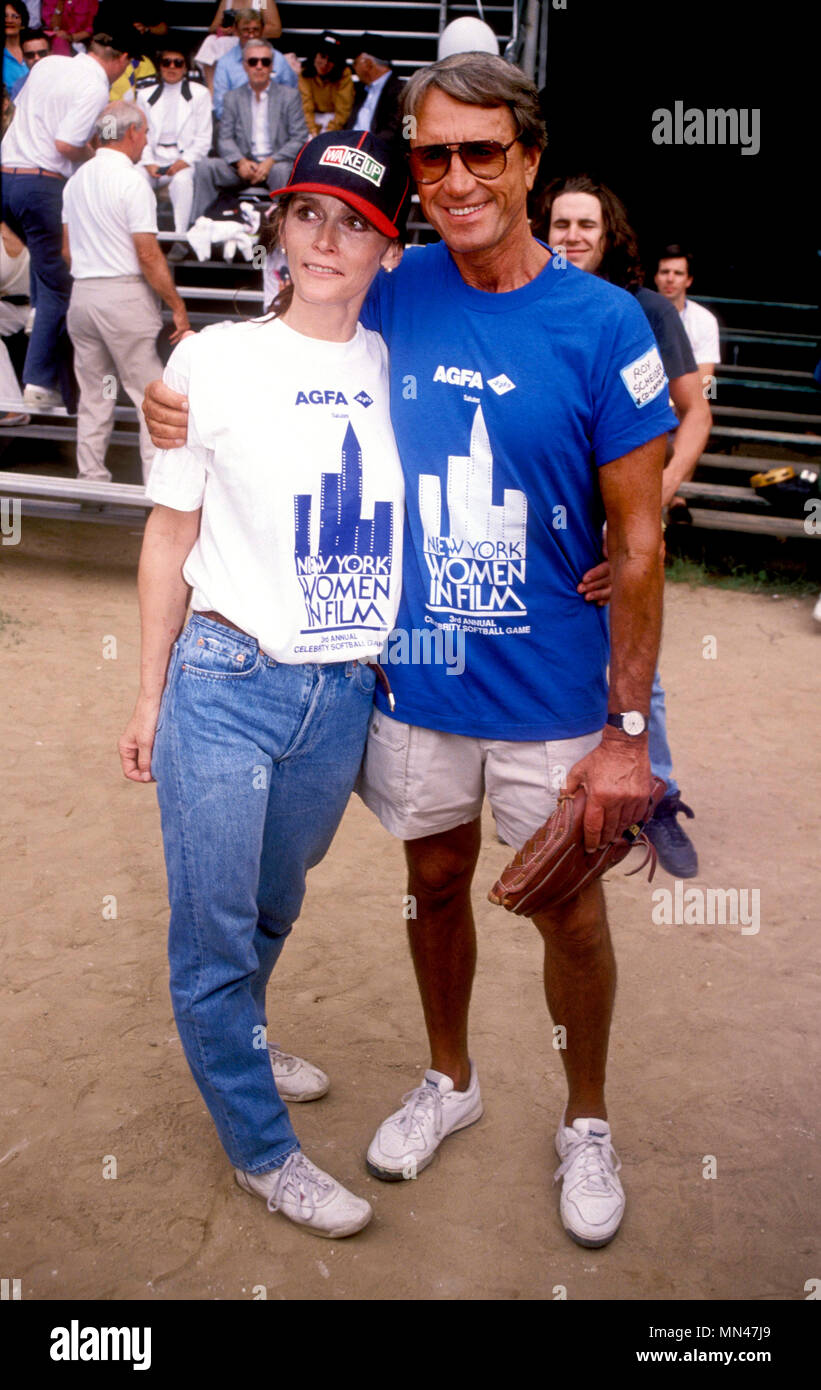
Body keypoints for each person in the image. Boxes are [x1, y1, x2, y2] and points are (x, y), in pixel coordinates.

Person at [143, 53, 678, 1251]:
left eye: (480, 152)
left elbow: (638, 543)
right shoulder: (398, 282)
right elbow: (290, 332)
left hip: (553, 695)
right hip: (414, 681)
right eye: (431, 154)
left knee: (569, 916)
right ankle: (450, 1077)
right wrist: (168, 390)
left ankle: (583, 1117)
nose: (453, 177)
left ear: (530, 161)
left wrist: (627, 733)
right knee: (431, 886)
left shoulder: (605, 322)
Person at [119, 129, 409, 1239]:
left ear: (388, 246)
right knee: (212, 928)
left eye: (355, 221)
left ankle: (245, 1021)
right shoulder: (214, 363)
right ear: (278, 226)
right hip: (225, 678)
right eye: (307, 214)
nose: (326, 237)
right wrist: (147, 695)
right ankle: (261, 1151)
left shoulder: (394, 363)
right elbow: (167, 534)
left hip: (340, 693)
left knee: (273, 903)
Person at [535, 174, 710, 879]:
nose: (572, 236)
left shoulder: (641, 309)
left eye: (586, 225)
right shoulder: (531, 307)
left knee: (638, 667)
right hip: (547, 527)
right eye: (560, 224)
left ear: (609, 236)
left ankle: (653, 794)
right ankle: (566, 799)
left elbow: (693, 411)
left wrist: (657, 495)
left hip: (622, 520)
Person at [0, 27, 132, 408]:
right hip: (40, 184)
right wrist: (99, 160)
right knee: (61, 287)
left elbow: (22, 110)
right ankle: (39, 382)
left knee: (50, 280)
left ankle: (39, 324)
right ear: (121, 60)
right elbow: (65, 144)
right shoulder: (95, 87)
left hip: (7, 177)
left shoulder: (50, 64)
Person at [62, 100, 189, 482]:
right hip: (123, 300)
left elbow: (66, 250)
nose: (146, 140)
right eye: (145, 132)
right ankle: (158, 483)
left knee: (97, 393)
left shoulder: (76, 181)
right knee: (145, 392)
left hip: (84, 298)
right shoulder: (131, 181)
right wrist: (177, 306)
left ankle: (91, 477)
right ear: (131, 132)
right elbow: (148, 254)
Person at [191, 39, 307, 225]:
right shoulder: (232, 97)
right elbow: (225, 137)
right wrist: (240, 162)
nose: (259, 67)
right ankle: (200, 232)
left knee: (283, 170)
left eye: (265, 62)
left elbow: (299, 137)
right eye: (253, 62)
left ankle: (284, 233)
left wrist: (270, 161)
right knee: (206, 167)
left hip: (275, 165)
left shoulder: (289, 96)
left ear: (272, 66)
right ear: (245, 66)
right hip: (242, 167)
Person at [136, 35, 212, 250]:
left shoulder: (200, 95)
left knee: (182, 181)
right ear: (159, 66)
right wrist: (148, 162)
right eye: (166, 62)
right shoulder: (144, 95)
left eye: (178, 63)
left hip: (182, 159)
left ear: (186, 67)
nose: (171, 67)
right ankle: (144, 237)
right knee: (136, 178)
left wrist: (182, 162)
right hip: (153, 157)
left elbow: (203, 139)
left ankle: (180, 238)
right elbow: (140, 136)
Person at [212, 7, 295, 121]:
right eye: (246, 30)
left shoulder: (279, 60)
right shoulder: (225, 64)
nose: (251, 35)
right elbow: (221, 107)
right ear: (236, 30)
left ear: (262, 30)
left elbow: (291, 98)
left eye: (255, 30)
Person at [654, 242, 720, 385]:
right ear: (656, 277)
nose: (670, 279)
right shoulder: (639, 314)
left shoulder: (705, 320)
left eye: (678, 273)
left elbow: (705, 382)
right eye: (665, 272)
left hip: (686, 401)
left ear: (688, 280)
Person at [0, 218, 31, 424]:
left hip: (46, 308)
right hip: (12, 307)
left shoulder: (39, 233)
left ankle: (109, 397)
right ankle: (12, 406)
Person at [345, 35, 402, 143]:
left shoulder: (400, 91)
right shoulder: (360, 89)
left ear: (367, 64)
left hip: (376, 151)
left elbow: (395, 133)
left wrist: (365, 145)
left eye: (355, 63)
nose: (353, 68)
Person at [298, 30, 354, 136]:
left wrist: (329, 132)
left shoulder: (344, 74)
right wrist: (313, 131)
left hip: (334, 119)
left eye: (331, 59)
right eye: (322, 56)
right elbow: (305, 106)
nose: (325, 64)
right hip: (312, 118)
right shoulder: (305, 72)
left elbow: (343, 109)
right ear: (315, 55)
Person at [9, 25, 51, 99]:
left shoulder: (65, 79)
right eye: (30, 55)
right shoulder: (19, 86)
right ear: (24, 57)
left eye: (42, 53)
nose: (36, 58)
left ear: (51, 53)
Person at [3, 2, 29, 92]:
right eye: (5, 16)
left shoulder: (32, 49)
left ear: (22, 21)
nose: (9, 20)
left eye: (15, 16)